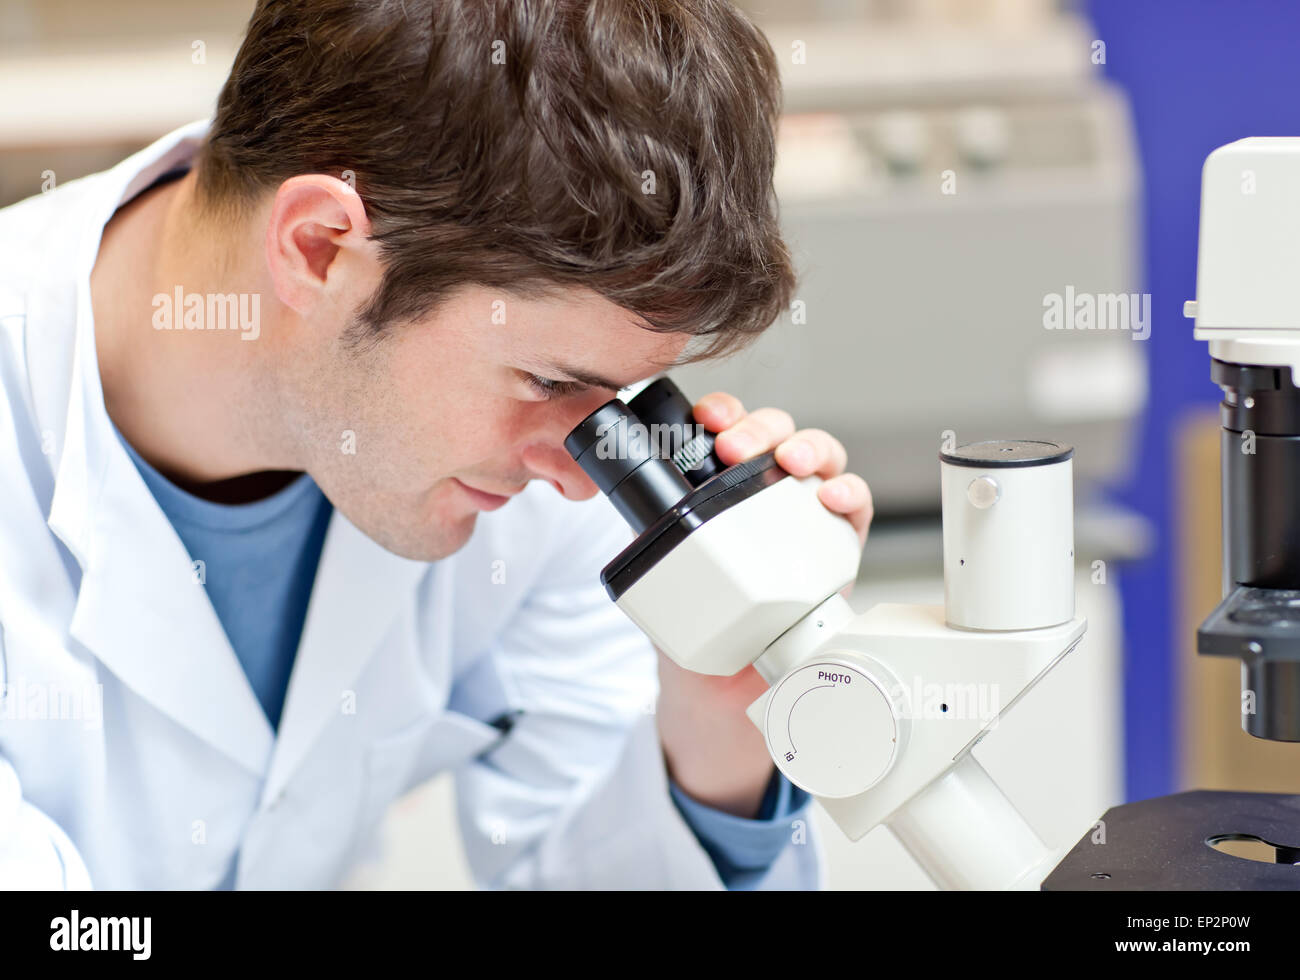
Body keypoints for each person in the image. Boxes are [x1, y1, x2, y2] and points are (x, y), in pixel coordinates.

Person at [0, 0, 872, 889]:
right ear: (320, 247)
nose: (579, 479)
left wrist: (720, 730)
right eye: (547, 381)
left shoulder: (525, 454)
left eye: (620, 401)